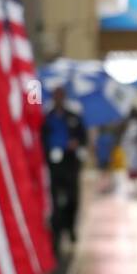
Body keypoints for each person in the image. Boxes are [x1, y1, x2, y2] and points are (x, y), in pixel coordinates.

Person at [42, 86, 86, 252]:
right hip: (54, 164)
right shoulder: (47, 118)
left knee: (72, 198)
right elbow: (41, 138)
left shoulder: (73, 117)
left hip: (70, 162)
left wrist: (76, 143)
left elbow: (83, 138)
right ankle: (57, 232)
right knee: (55, 199)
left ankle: (70, 226)